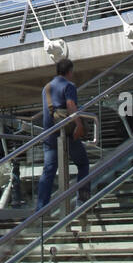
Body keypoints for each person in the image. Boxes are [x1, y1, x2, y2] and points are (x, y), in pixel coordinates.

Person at [36, 59, 91, 212]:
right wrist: (79, 125)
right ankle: (83, 200)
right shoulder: (69, 86)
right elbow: (71, 105)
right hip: (66, 134)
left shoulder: (46, 88)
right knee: (83, 164)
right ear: (69, 71)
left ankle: (41, 209)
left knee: (49, 170)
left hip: (49, 134)